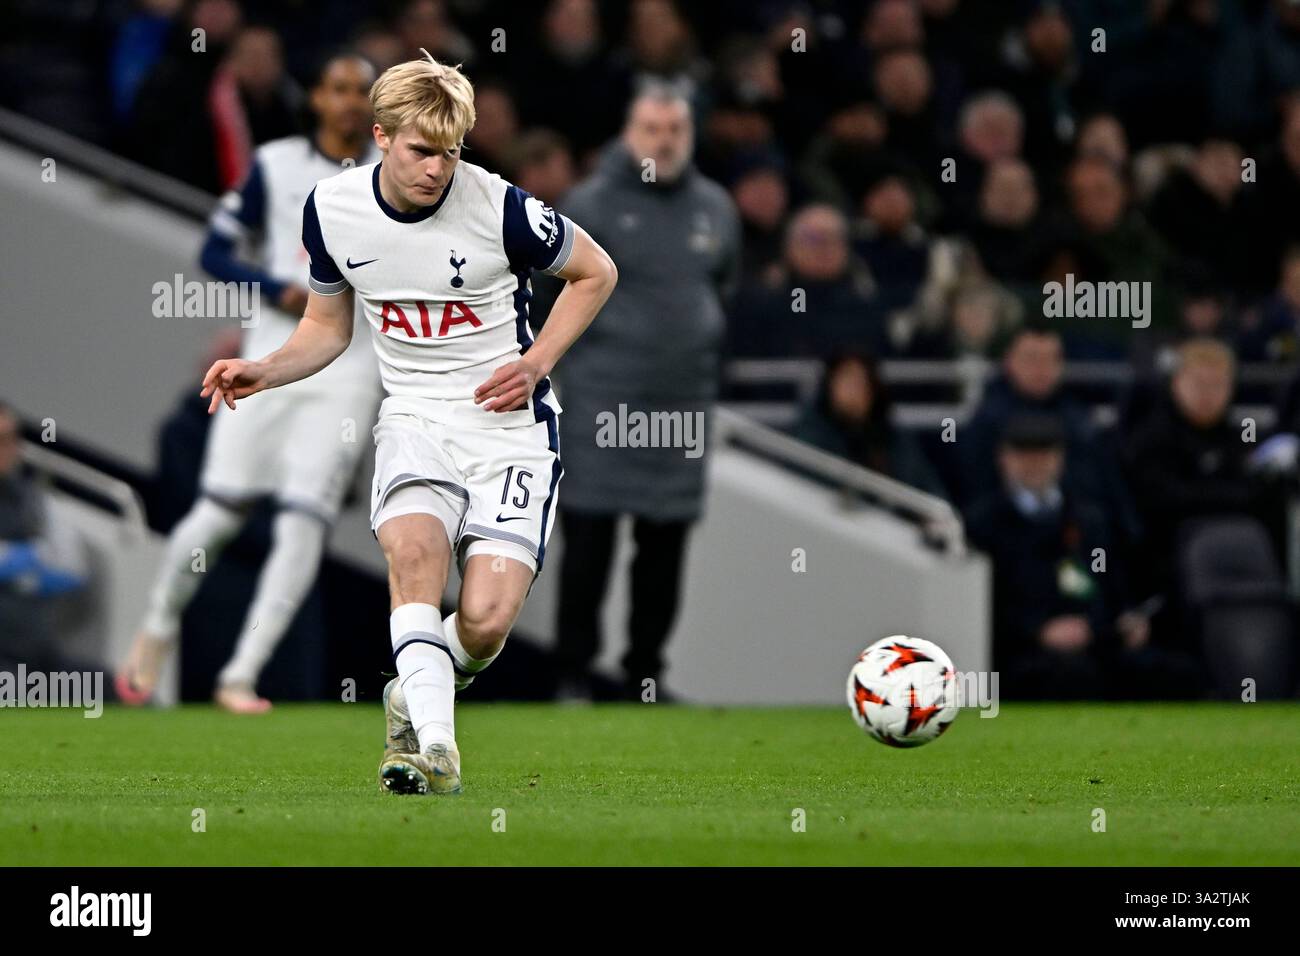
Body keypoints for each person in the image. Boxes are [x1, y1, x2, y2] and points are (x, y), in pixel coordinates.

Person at [198, 52, 617, 794]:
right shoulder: (332, 209)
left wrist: (538, 361)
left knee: (484, 624)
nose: (437, 169)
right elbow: (329, 328)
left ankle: (410, 691)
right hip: (416, 419)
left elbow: (596, 272)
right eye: (423, 150)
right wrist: (265, 369)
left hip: (509, 429)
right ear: (382, 136)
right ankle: (436, 752)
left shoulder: (500, 208)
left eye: (451, 152)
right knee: (415, 558)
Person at [116, 53, 384, 714]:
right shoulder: (277, 165)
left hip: (349, 367)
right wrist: (273, 289)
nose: (351, 102)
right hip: (271, 355)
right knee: (218, 513)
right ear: (317, 98)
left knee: (303, 524)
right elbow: (214, 249)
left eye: (363, 92)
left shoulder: (393, 177)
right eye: (339, 88)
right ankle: (156, 625)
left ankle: (242, 673)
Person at [545, 83, 739, 701]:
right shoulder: (590, 204)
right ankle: (573, 673)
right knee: (589, 543)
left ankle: (645, 676)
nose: (664, 140)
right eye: (652, 128)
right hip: (602, 397)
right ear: (630, 134)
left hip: (682, 404)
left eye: (675, 129)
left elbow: (722, 287)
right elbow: (554, 294)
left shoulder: (715, 208)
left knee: (666, 545)